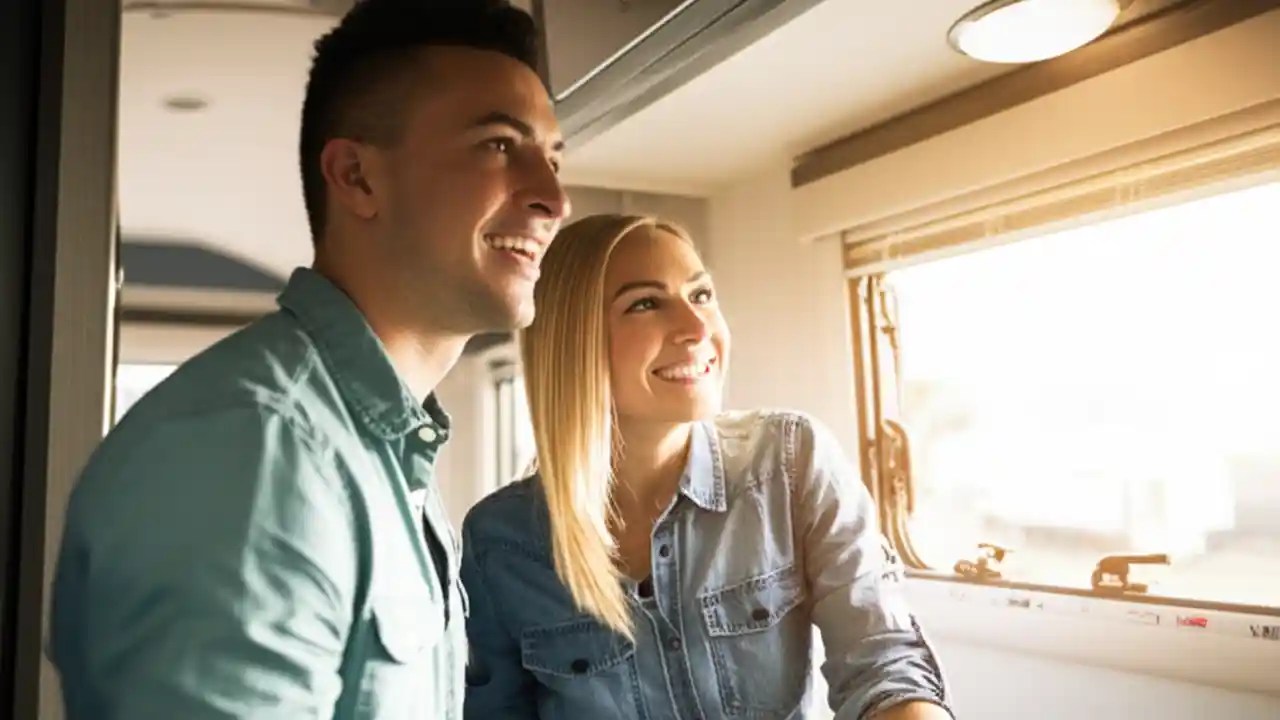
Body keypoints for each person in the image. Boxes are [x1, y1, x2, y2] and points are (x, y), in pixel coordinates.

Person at [49, 1, 568, 717]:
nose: (553, 197)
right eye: (500, 146)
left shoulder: (381, 451)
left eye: (553, 156)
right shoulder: (252, 451)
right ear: (356, 177)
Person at [460, 214, 952, 719]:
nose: (698, 329)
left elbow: (884, 664)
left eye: (701, 295)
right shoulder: (500, 541)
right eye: (645, 304)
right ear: (573, 343)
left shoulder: (790, 460)